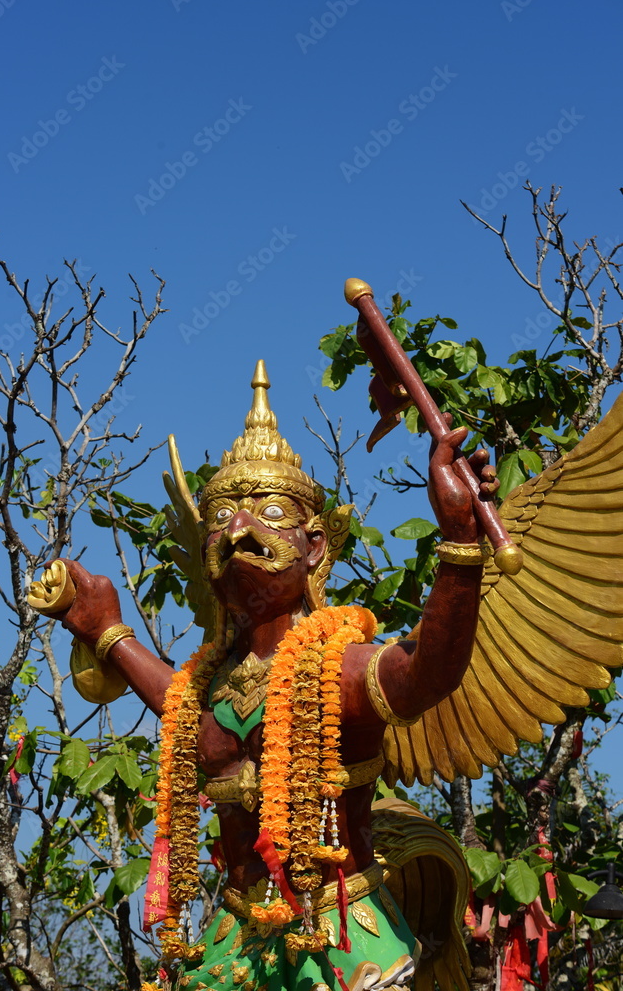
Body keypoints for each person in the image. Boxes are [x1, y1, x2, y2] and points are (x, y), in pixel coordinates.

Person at [53, 362, 498, 991]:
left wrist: (460, 544)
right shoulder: (210, 684)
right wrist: (107, 631)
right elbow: (174, 700)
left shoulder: (337, 666)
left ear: (314, 547)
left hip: (339, 941)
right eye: (221, 517)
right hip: (232, 942)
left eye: (267, 512)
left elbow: (428, 673)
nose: (238, 531)